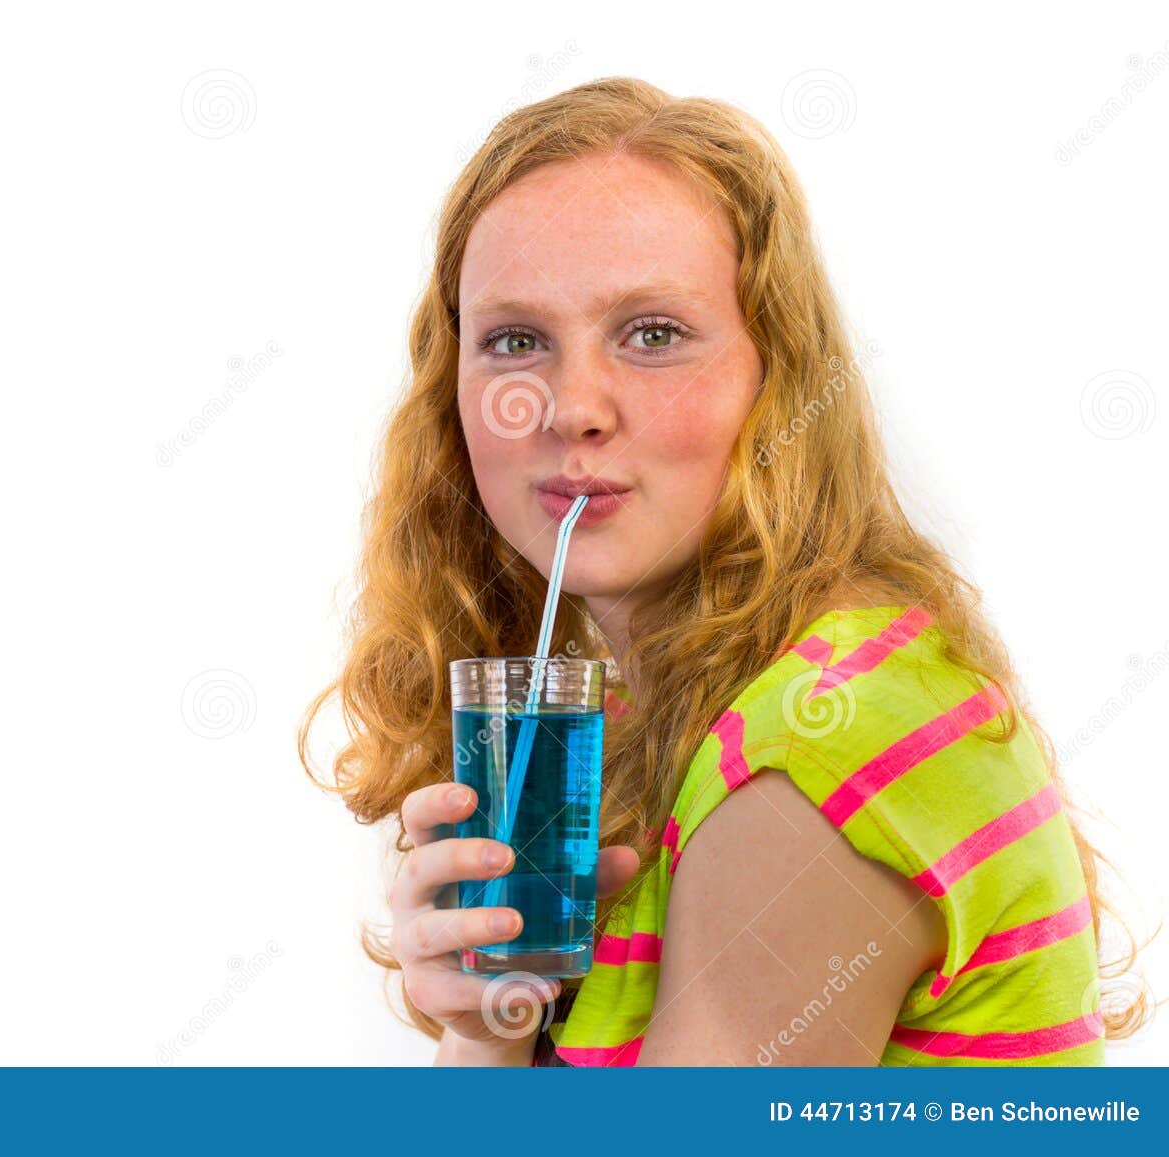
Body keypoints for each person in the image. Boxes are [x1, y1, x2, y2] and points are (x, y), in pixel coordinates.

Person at [298, 77, 1152, 1066]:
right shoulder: (637, 730)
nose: (572, 407)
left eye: (653, 335)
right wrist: (488, 1030)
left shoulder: (816, 740)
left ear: (777, 376)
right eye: (515, 340)